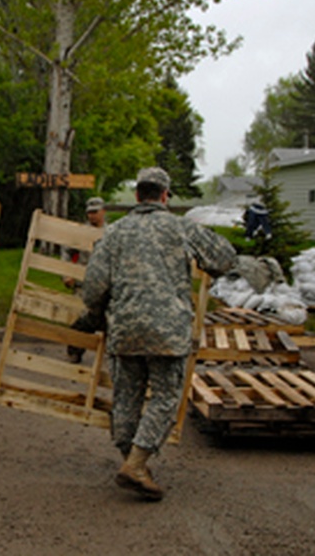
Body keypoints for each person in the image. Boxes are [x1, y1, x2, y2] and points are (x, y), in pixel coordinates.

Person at [74, 167, 236, 501]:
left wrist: (95, 314)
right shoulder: (181, 227)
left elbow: (92, 291)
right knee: (164, 397)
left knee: (126, 399)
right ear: (164, 196)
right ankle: (136, 464)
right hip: (168, 332)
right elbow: (225, 258)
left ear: (137, 196)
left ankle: (133, 464)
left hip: (125, 330)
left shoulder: (114, 234)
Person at [61, 196, 107, 363]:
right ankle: (75, 351)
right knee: (79, 319)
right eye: (89, 213)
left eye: (95, 212)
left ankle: (111, 354)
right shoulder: (80, 232)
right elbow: (66, 251)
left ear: (103, 211)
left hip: (104, 285)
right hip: (83, 283)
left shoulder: (111, 233)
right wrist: (66, 274)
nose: (92, 216)